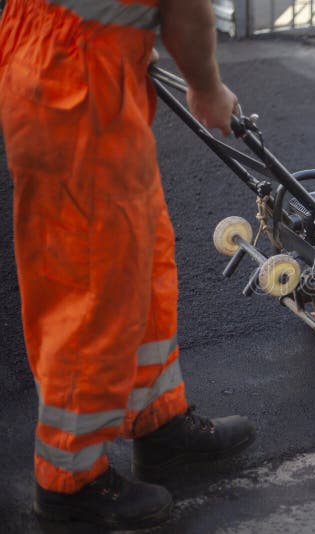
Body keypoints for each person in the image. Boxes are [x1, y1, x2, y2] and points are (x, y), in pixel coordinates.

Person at [0, 0, 255, 528]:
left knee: (141, 257)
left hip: (70, 60)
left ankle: (157, 423)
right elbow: (186, 7)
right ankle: (69, 483)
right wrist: (206, 86)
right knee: (92, 283)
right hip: (77, 80)